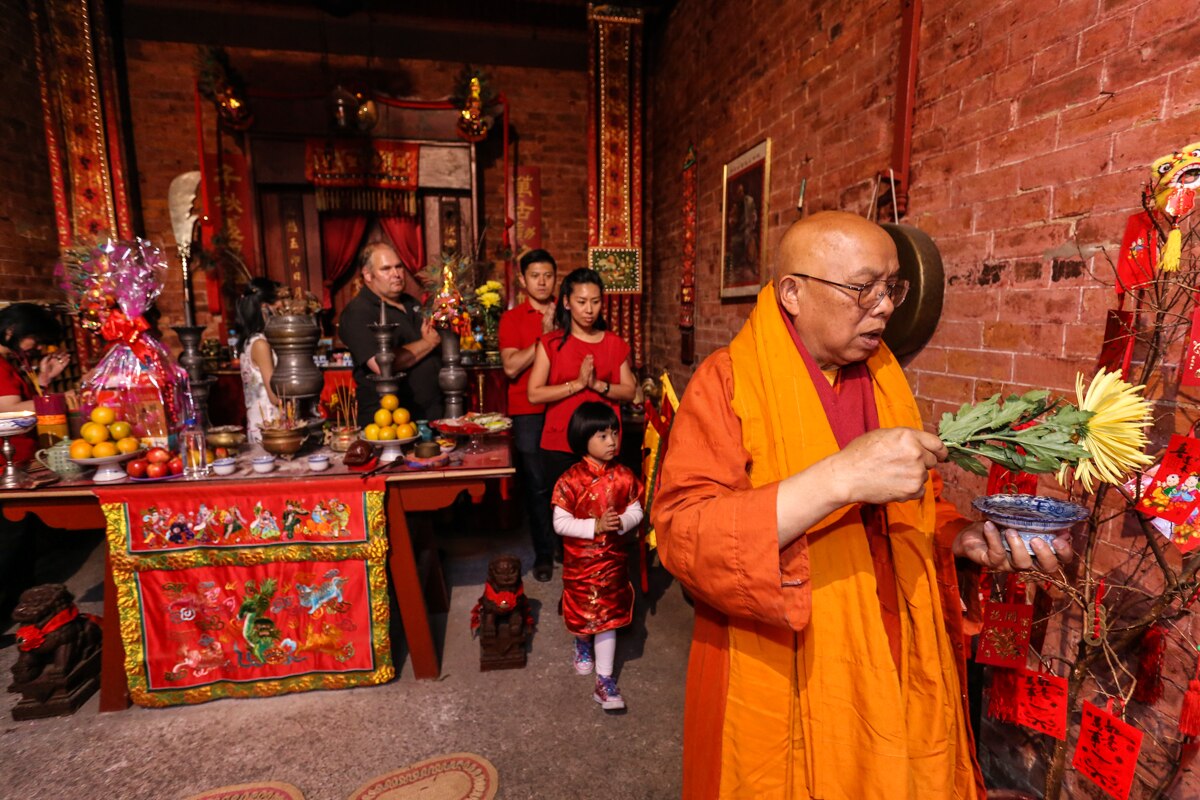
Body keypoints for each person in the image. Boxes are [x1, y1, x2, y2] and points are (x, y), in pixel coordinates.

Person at [651, 211, 1073, 799]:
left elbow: (914, 503)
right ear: (792, 293)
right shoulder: (728, 382)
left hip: (889, 645)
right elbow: (684, 534)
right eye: (862, 288)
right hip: (781, 656)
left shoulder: (881, 376)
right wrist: (839, 478)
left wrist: (959, 539)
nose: (884, 307)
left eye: (891, 287)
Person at [526, 267, 637, 561]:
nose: (589, 310)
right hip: (560, 443)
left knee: (605, 511)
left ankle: (602, 572)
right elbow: (534, 393)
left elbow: (630, 390)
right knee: (568, 516)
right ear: (566, 302)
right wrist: (576, 385)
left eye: (595, 302)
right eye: (582, 301)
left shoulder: (613, 343)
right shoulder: (551, 344)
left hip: (603, 444)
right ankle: (573, 574)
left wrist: (599, 385)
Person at [552, 402, 643, 711]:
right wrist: (596, 526)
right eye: (602, 436)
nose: (612, 441)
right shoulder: (569, 480)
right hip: (580, 566)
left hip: (613, 564)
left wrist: (623, 522)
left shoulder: (624, 476)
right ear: (583, 438)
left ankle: (605, 681)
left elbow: (636, 510)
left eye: (614, 433)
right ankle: (582, 642)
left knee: (609, 618)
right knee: (581, 613)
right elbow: (560, 523)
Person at [499, 249, 559, 582]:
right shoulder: (512, 319)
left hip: (564, 406)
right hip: (528, 411)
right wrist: (545, 337)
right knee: (537, 486)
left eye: (548, 276)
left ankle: (569, 547)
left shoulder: (567, 311)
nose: (542, 282)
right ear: (523, 280)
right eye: (535, 276)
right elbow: (511, 367)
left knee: (567, 480)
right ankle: (544, 553)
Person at [338, 241, 442, 426]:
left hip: (431, 414)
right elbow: (381, 364)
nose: (396, 274)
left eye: (398, 267)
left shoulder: (411, 303)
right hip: (389, 422)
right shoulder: (358, 312)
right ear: (367, 275)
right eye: (386, 269)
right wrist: (428, 343)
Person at [0, 303, 70, 465]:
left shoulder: (5, 362)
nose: (38, 347)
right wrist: (61, 399)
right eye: (36, 339)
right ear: (11, 330)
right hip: (11, 460)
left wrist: (44, 379)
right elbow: (9, 410)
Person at [235, 278, 283, 444]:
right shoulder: (260, 344)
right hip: (269, 423)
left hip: (258, 420)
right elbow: (274, 397)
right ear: (264, 306)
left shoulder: (250, 341)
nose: (281, 304)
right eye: (277, 299)